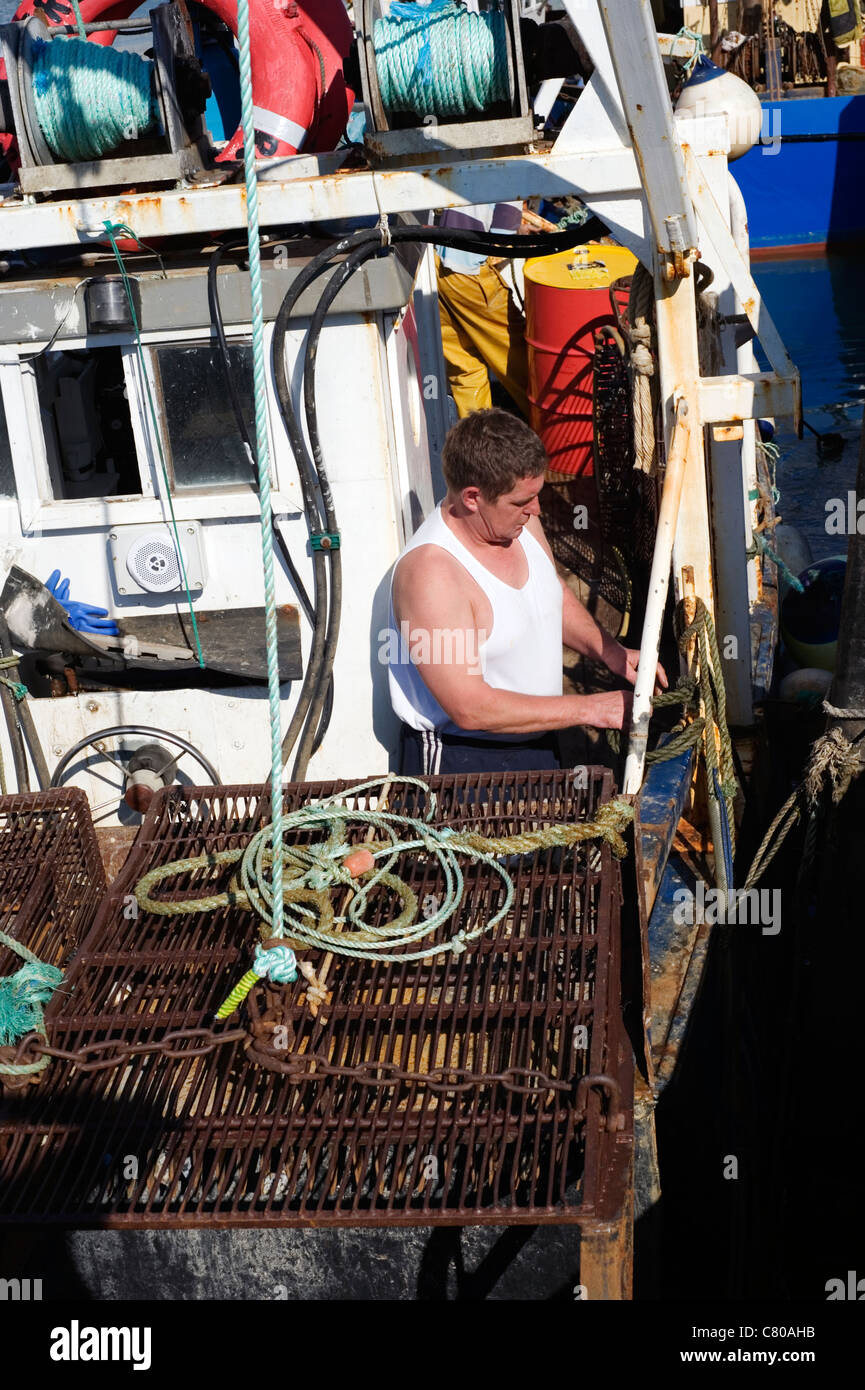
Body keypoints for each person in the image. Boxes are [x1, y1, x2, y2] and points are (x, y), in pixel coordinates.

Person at [387, 409, 666, 776]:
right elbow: (469, 708)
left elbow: (550, 595)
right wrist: (593, 708)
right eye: (522, 502)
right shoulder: (431, 574)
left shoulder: (520, 522)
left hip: (535, 742)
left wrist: (609, 652)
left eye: (537, 495)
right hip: (463, 764)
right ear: (473, 497)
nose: (536, 509)